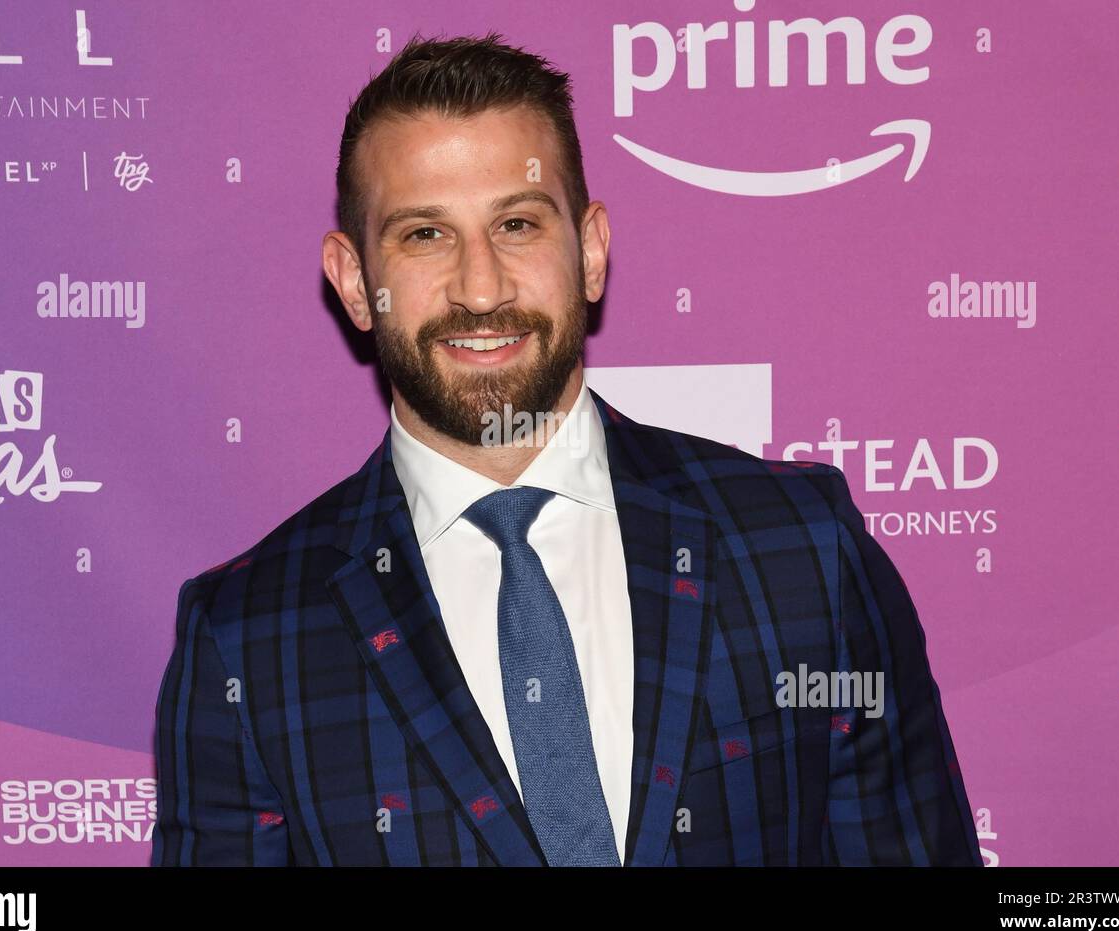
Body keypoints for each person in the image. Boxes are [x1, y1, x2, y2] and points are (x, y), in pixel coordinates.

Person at [152, 31, 981, 867]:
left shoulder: (798, 544)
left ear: (588, 252)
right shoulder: (249, 637)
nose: (482, 288)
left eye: (516, 223)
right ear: (352, 281)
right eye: (424, 236)